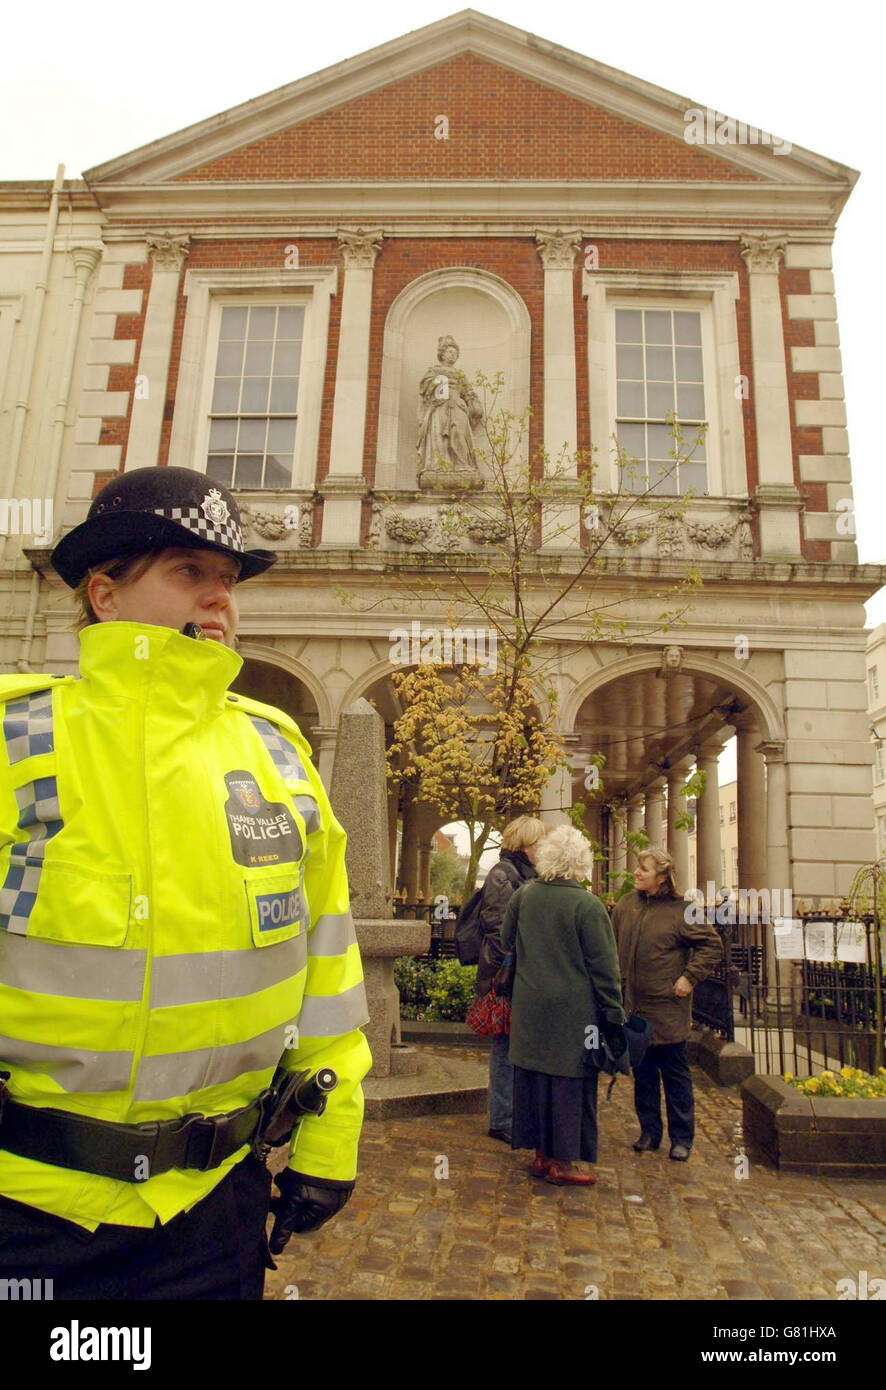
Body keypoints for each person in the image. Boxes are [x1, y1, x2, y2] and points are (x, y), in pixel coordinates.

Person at [0, 466, 372, 1299]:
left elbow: (327, 968)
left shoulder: (279, 757)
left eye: (228, 580)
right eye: (189, 573)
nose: (218, 600)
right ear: (105, 594)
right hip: (28, 1212)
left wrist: (329, 1140)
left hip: (212, 1215)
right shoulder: (16, 737)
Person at [502, 825, 626, 1186]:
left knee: (534, 1080)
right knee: (571, 1085)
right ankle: (563, 1162)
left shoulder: (524, 896)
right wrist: (614, 1016)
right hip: (576, 1016)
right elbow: (606, 970)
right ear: (582, 862)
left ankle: (541, 1156)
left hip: (529, 1007)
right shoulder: (588, 905)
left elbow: (506, 939)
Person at [611, 847, 722, 1162]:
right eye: (637, 867)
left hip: (668, 1009)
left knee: (675, 1077)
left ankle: (682, 1138)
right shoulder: (626, 906)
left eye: (643, 869)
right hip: (635, 1010)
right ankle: (649, 1133)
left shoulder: (682, 910)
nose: (636, 873)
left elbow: (712, 946)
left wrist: (689, 977)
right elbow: (610, 945)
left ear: (661, 876)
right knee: (643, 1075)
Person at [474, 815, 546, 1143]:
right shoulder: (504, 873)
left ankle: (513, 1113)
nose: (541, 849)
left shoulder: (524, 873)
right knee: (504, 1048)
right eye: (537, 843)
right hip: (506, 977)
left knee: (515, 1046)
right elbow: (497, 927)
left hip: (520, 974)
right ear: (523, 845)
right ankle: (502, 1118)